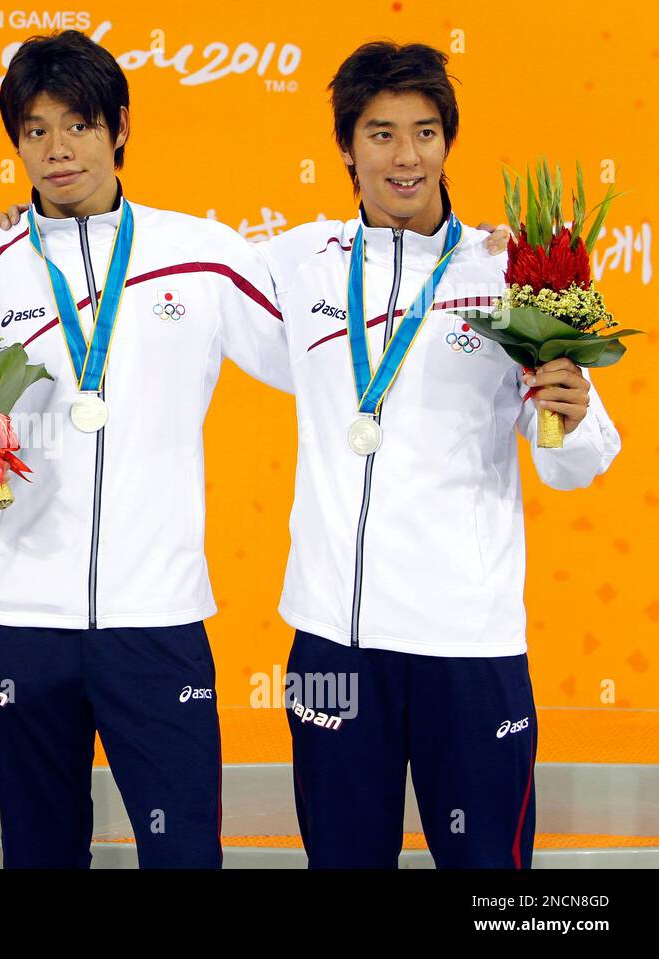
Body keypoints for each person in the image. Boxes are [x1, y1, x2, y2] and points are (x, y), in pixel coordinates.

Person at [0, 30, 294, 869]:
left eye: (79, 125)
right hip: (18, 620)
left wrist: (455, 276)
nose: (58, 150)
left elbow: (322, 356)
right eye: (36, 130)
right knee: (40, 853)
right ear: (15, 140)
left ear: (119, 128)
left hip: (155, 616)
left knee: (186, 851)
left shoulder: (199, 254)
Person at [255, 41, 620, 868]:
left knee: (490, 871)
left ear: (447, 141)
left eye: (425, 131)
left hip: (470, 642)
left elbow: (571, 462)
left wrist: (577, 406)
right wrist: (35, 241)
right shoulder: (295, 259)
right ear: (346, 147)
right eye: (380, 133)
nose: (405, 155)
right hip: (330, 641)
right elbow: (176, 283)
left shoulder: (506, 272)